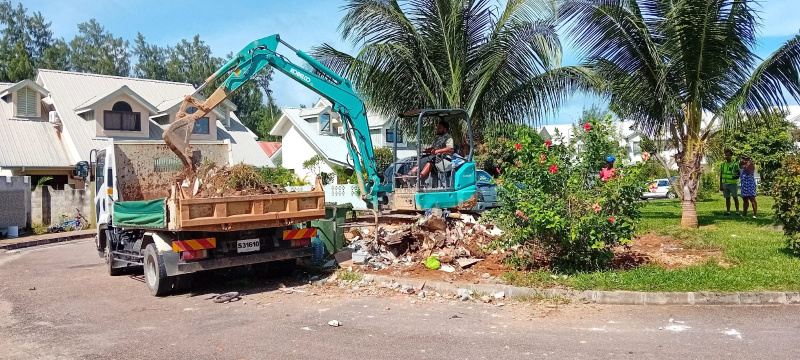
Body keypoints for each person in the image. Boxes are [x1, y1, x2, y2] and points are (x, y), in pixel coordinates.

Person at [719, 149, 740, 215]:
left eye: (728, 155)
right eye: (726, 155)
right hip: (725, 184)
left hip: (733, 184)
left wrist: (735, 177)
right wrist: (721, 185)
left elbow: (738, 173)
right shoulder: (723, 165)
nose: (727, 156)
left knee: (735, 197)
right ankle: (728, 211)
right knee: (727, 198)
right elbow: (721, 175)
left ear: (731, 156)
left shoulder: (735, 164)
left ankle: (737, 211)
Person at [739, 154, 758, 218]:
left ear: (748, 159)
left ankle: (755, 214)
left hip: (750, 185)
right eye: (743, 158)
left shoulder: (751, 164)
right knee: (745, 200)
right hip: (744, 185)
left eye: (744, 158)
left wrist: (743, 165)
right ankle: (744, 214)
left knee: (752, 199)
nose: (743, 160)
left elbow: (747, 171)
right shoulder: (742, 165)